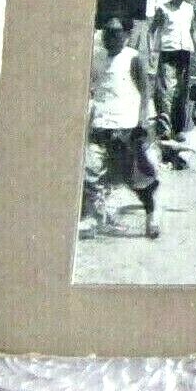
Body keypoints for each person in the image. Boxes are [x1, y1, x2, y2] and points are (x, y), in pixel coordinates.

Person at [84, 19, 159, 239]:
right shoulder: (96, 57)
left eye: (116, 33)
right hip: (100, 124)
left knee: (134, 178)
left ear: (126, 34)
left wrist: (143, 122)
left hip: (125, 127)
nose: (111, 38)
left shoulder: (132, 58)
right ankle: (97, 220)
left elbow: (145, 93)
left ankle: (151, 213)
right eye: (107, 33)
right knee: (91, 172)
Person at [149, 0, 196, 143]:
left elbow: (193, 30)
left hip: (184, 53)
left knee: (181, 90)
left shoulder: (189, 9)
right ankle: (165, 129)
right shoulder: (163, 9)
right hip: (168, 52)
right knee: (165, 90)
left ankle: (178, 129)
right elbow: (152, 30)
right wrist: (152, 50)